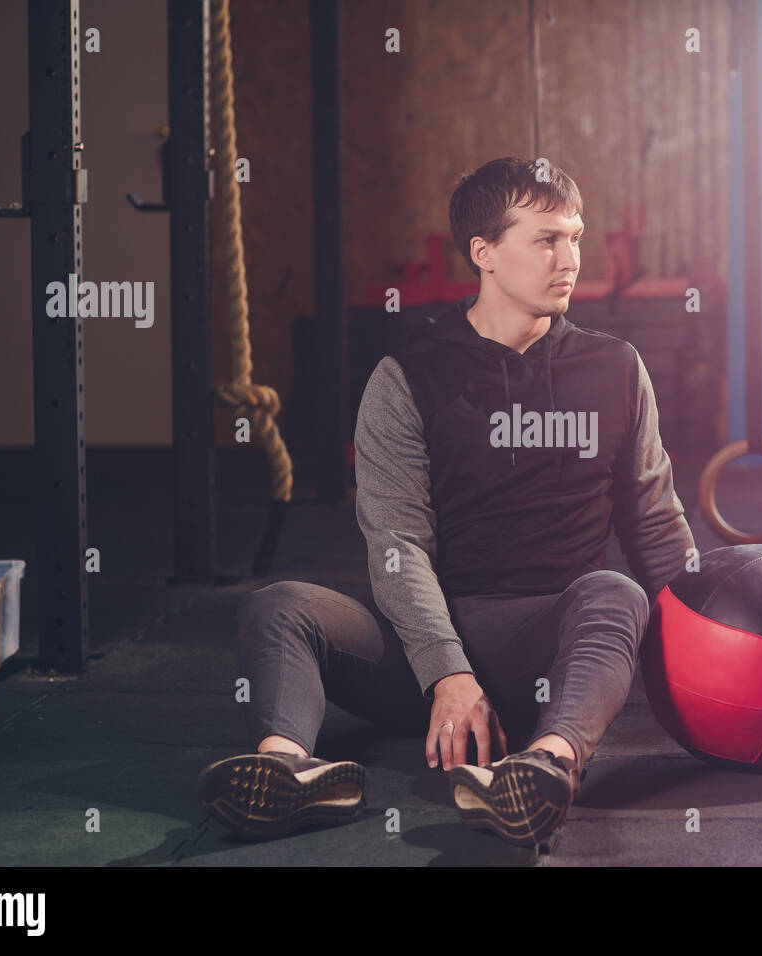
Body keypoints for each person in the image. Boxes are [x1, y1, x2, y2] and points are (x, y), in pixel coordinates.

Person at [197, 156, 695, 849]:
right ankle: (286, 769)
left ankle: (546, 767)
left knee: (614, 592)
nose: (570, 258)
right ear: (483, 253)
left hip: (552, 650)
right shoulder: (408, 378)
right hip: (425, 655)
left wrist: (705, 643)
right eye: (547, 239)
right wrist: (449, 674)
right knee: (277, 606)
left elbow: (655, 523)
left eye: (576, 237)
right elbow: (398, 546)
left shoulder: (615, 368)